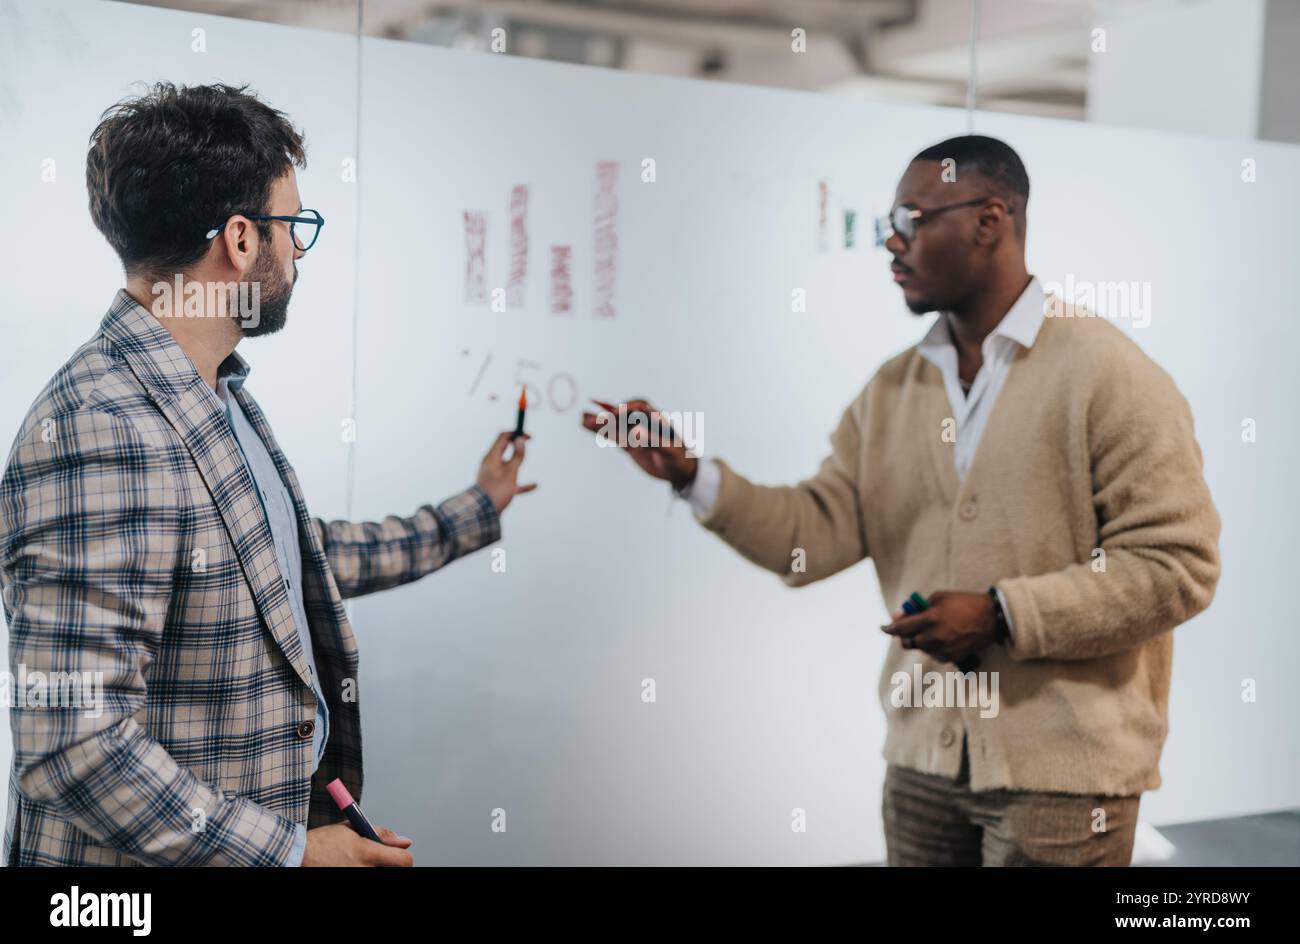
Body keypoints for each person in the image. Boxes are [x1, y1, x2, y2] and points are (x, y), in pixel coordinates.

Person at [583, 135, 1221, 866]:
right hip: (923, 764)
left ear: (991, 221)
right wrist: (692, 475)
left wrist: (1002, 614)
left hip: (1065, 779)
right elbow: (814, 534)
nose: (892, 241)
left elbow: (1176, 567)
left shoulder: (1110, 373)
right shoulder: (893, 388)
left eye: (912, 218)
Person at [0, 82, 535, 866]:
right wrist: (292, 853)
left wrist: (475, 509)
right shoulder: (103, 425)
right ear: (243, 240)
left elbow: (292, 562)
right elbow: (75, 748)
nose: (298, 252)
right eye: (295, 227)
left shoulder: (215, 392)